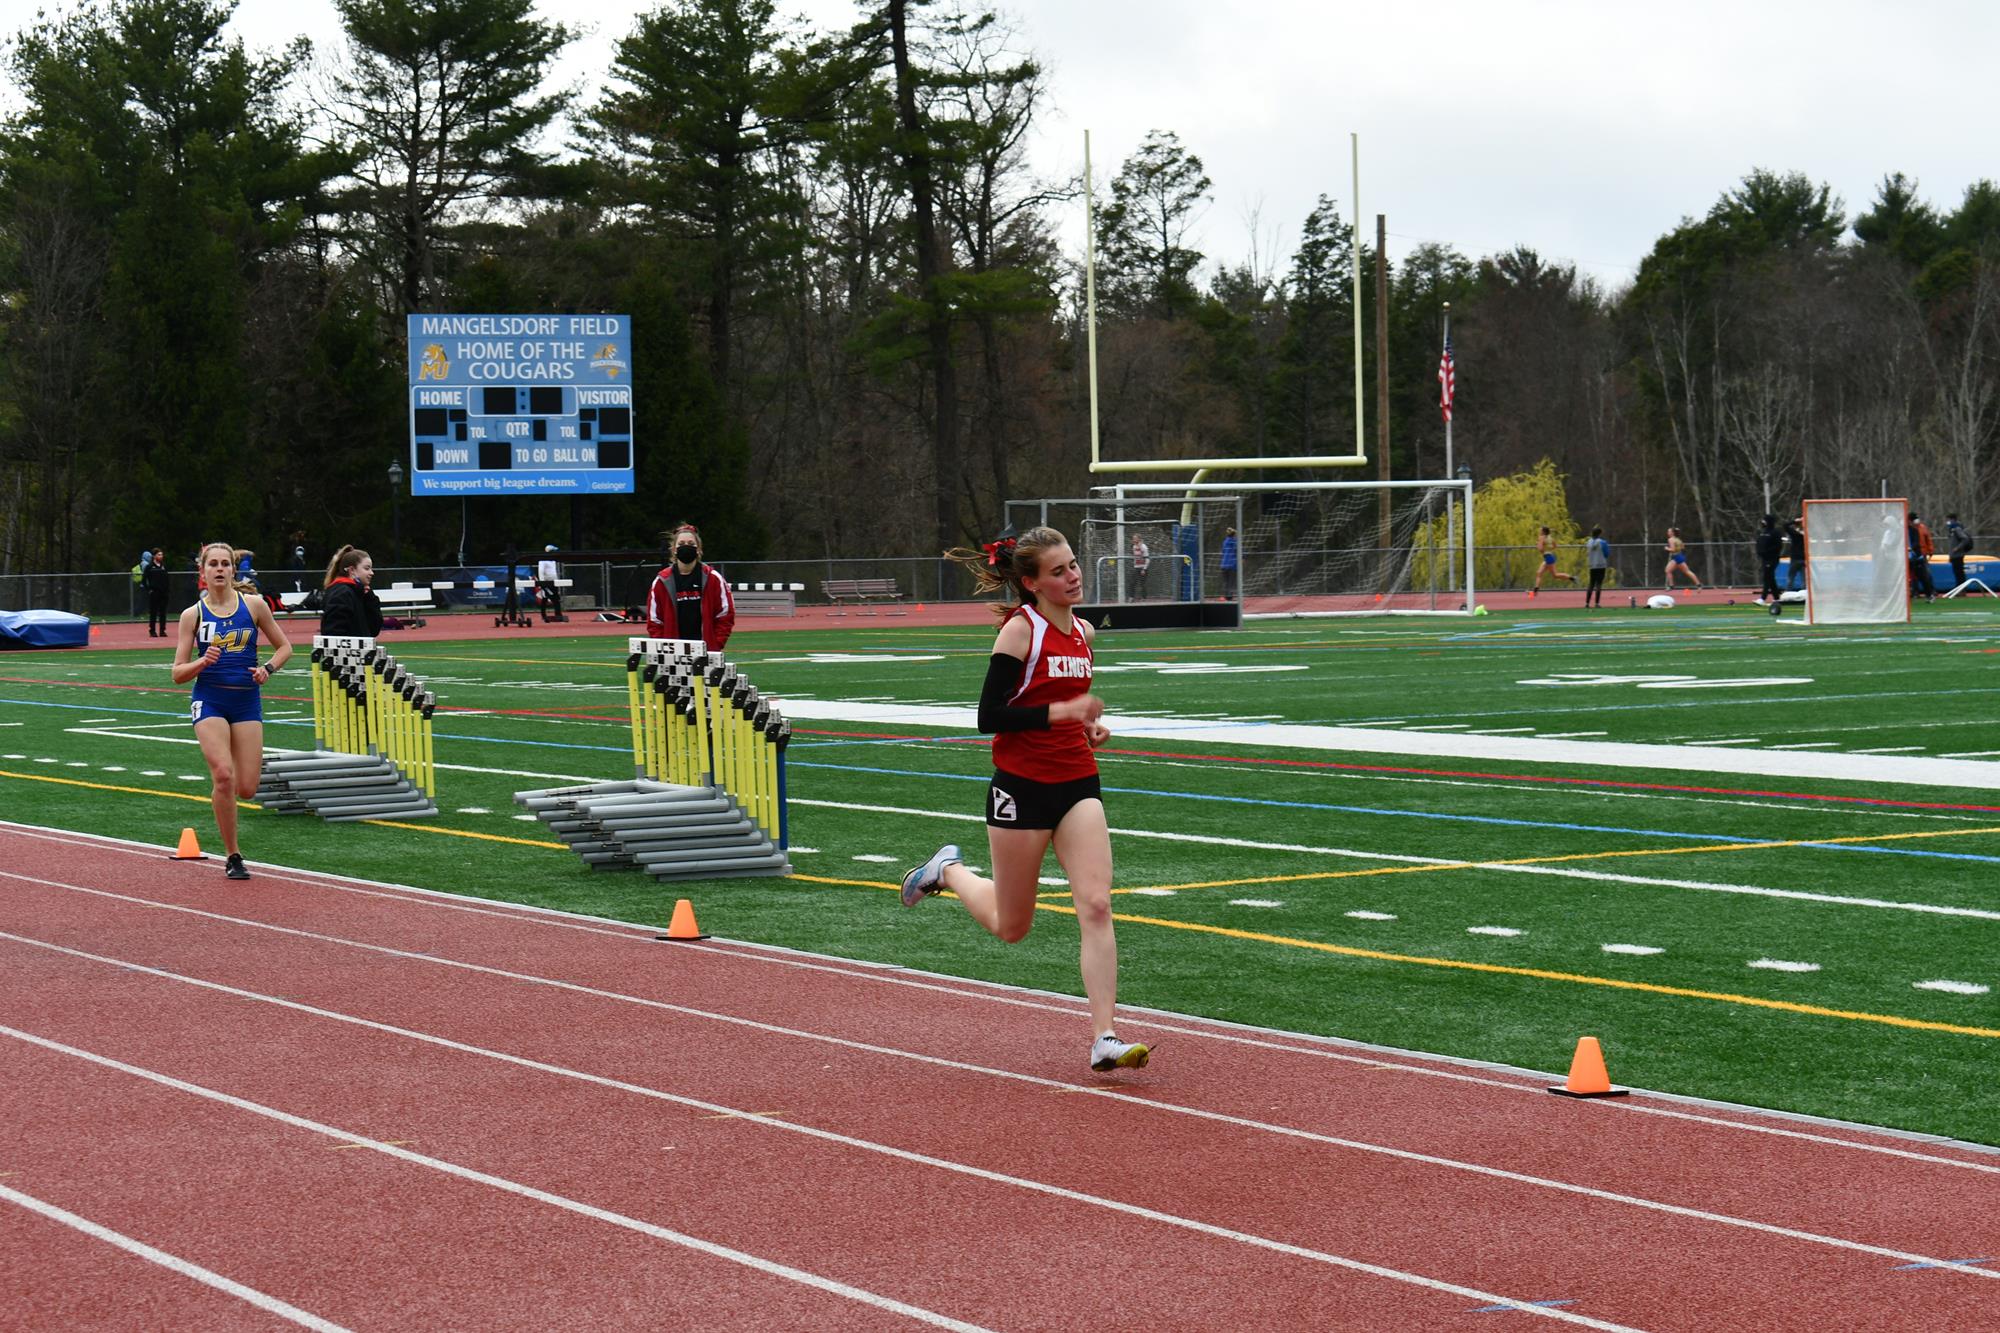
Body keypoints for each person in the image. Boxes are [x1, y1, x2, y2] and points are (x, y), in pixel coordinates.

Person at [899, 526, 1149, 1073]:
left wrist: (1089, 728)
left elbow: (1067, 703)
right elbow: (991, 715)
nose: (1073, 576)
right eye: (1058, 571)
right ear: (1032, 583)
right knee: (1013, 927)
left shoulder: (1083, 632)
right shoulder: (1020, 632)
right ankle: (947, 872)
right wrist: (1058, 715)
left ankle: (1105, 1035)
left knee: (1098, 903)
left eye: (1073, 565)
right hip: (1021, 787)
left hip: (1078, 784)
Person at [170, 540, 292, 881]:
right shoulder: (192, 615)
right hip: (209, 699)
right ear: (203, 572)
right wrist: (201, 661)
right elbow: (178, 673)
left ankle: (231, 821)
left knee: (247, 788)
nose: (220, 569)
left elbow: (285, 647)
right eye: (214, 564)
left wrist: (267, 669)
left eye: (225, 564)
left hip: (246, 700)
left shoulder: (253, 606)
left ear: (233, 570)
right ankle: (233, 855)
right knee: (223, 774)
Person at [645, 523, 735, 652]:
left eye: (691, 544)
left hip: (706, 651)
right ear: (674, 549)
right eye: (681, 544)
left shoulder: (713, 578)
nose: (686, 547)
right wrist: (664, 648)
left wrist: (715, 644)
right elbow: (654, 621)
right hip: (672, 653)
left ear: (698, 549)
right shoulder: (661, 581)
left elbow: (725, 614)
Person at [317, 545, 383, 638]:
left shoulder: (359, 592)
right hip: (349, 652)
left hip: (360, 651)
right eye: (367, 568)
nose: (371, 573)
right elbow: (333, 634)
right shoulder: (342, 593)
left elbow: (373, 630)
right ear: (352, 570)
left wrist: (370, 599)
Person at [1529, 526, 1576, 597]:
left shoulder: (1541, 537)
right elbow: (1555, 546)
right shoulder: (1550, 538)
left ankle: (1572, 578)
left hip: (1548, 557)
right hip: (1550, 557)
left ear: (1543, 531)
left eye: (1541, 530)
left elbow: (1540, 549)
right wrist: (1548, 549)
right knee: (1539, 573)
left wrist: (1539, 546)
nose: (1540, 532)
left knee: (1555, 575)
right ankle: (1535, 591)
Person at [1754, 514, 1784, 605]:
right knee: (1770, 578)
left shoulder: (1775, 532)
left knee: (1767, 577)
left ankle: (1763, 598)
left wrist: (1767, 552)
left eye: (1764, 520)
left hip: (1772, 559)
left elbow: (1778, 546)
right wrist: (1760, 552)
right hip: (1764, 558)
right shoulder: (1762, 532)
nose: (1763, 522)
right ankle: (1777, 598)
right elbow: (1759, 543)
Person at [143, 547, 171, 636]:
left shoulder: (164, 567)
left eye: (161, 554)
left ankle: (162, 631)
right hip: (154, 593)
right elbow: (144, 580)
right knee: (153, 613)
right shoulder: (149, 567)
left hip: (164, 593)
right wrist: (149, 590)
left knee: (163, 613)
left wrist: (167, 590)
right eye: (159, 554)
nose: (161, 556)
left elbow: (167, 580)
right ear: (154, 556)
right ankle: (152, 631)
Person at [1910, 514, 1938, 601]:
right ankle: (1915, 592)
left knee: (1925, 574)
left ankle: (1931, 591)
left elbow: (1928, 540)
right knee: (1913, 575)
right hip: (1912, 554)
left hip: (1921, 554)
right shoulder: (1909, 530)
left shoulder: (1922, 528)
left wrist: (1930, 550)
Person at [536, 544, 566, 622]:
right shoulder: (543, 560)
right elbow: (541, 572)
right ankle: (545, 615)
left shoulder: (553, 561)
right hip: (546, 582)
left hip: (553, 582)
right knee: (547, 598)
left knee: (555, 597)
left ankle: (557, 614)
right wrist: (542, 583)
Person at [1584, 526, 1611, 608]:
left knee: (1591, 583)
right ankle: (1597, 603)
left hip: (1592, 565)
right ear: (1599, 534)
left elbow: (1587, 553)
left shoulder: (1588, 542)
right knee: (1598, 584)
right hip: (1601, 564)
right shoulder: (1602, 542)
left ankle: (1587, 603)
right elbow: (1607, 553)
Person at [1946, 514, 1974, 590]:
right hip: (1954, 555)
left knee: (1959, 573)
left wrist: (1957, 548)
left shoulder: (1957, 529)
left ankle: (1961, 589)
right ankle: (1959, 588)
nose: (1947, 522)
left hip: (1958, 555)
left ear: (1953, 520)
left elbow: (1965, 539)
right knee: (1957, 572)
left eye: (1949, 520)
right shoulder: (1952, 530)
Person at [1786, 517, 1808, 591]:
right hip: (1802, 558)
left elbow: (1785, 526)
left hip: (1796, 558)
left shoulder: (1795, 534)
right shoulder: (1806, 534)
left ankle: (1789, 591)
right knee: (1804, 579)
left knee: (1791, 577)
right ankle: (1804, 593)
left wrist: (1794, 521)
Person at [1218, 527, 1238, 600]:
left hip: (1224, 564)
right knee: (1231, 582)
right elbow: (1238, 551)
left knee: (1225, 582)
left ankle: (1225, 596)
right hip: (1232, 564)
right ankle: (1229, 597)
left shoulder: (1225, 542)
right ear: (1234, 535)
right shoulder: (1234, 542)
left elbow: (1223, 552)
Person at [1129, 533, 1150, 600]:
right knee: (1132, 582)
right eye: (1133, 538)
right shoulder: (1134, 546)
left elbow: (1147, 559)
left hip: (1143, 567)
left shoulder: (1144, 547)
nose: (1133, 540)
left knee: (1142, 584)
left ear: (1139, 539)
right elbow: (1132, 547)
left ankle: (1144, 597)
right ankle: (1131, 597)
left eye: (1135, 538)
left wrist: (1144, 569)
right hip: (1136, 567)